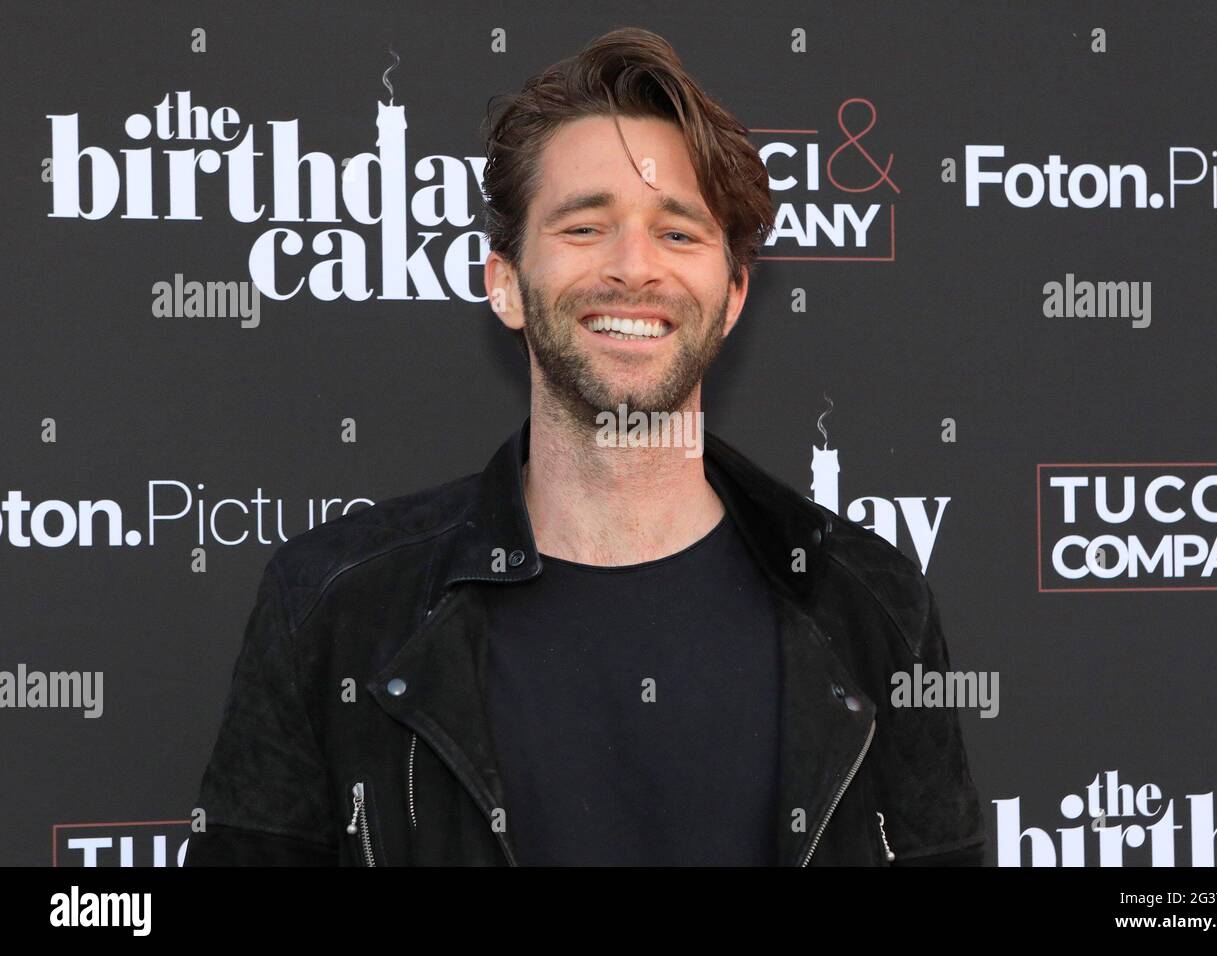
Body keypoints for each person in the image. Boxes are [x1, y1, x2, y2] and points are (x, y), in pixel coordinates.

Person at [186, 26, 985, 867]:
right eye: (584, 228)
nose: (634, 268)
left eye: (679, 233)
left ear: (735, 293)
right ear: (505, 285)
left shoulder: (867, 608)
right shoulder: (335, 610)